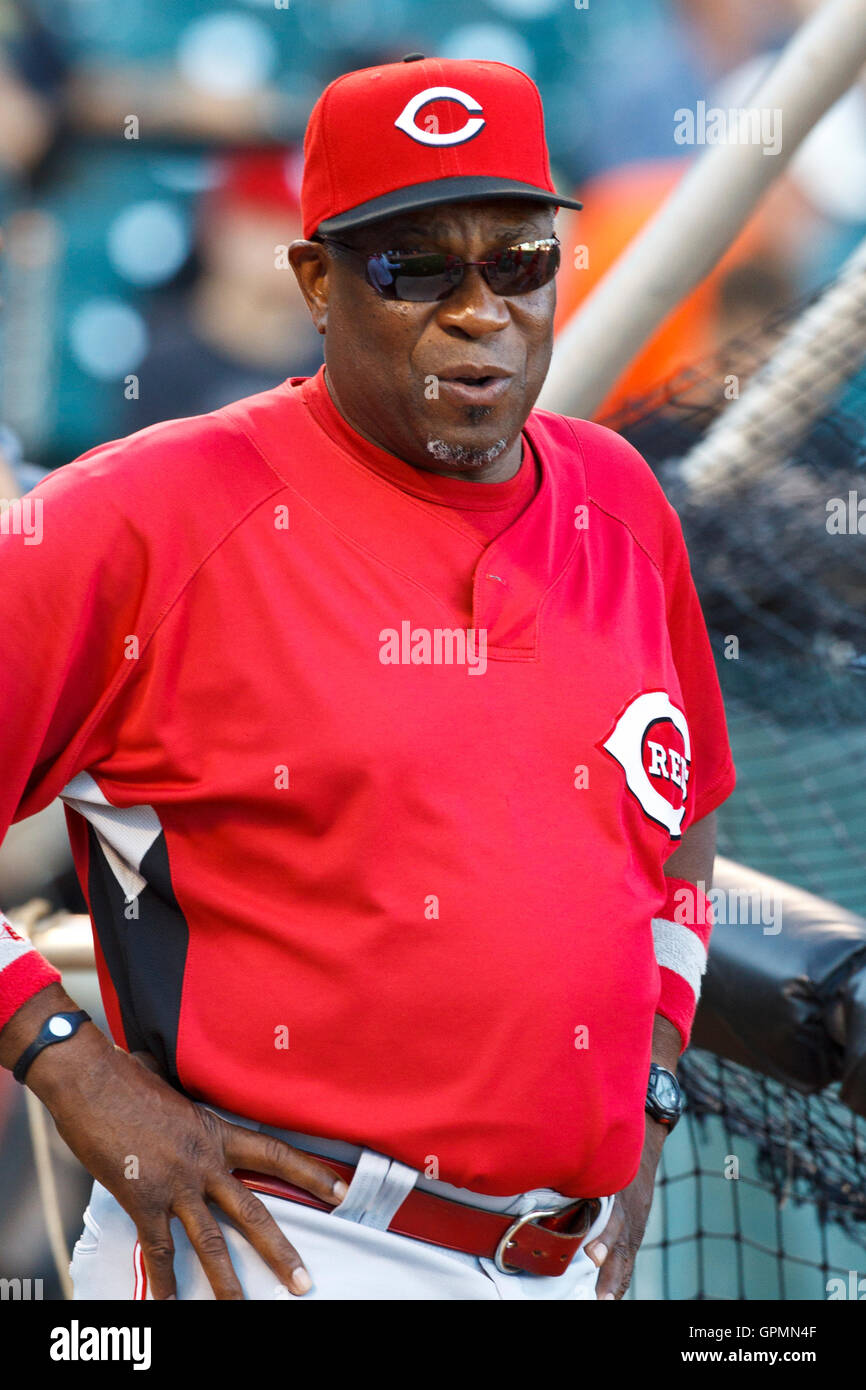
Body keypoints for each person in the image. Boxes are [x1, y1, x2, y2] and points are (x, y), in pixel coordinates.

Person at [0, 54, 736, 1302]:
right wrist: (67, 1059)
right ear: (315, 282)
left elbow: (680, 835)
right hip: (279, 1245)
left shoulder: (617, 497)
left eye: (515, 262)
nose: (477, 309)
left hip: (570, 1255)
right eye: (412, 269)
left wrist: (651, 1083)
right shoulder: (143, 516)